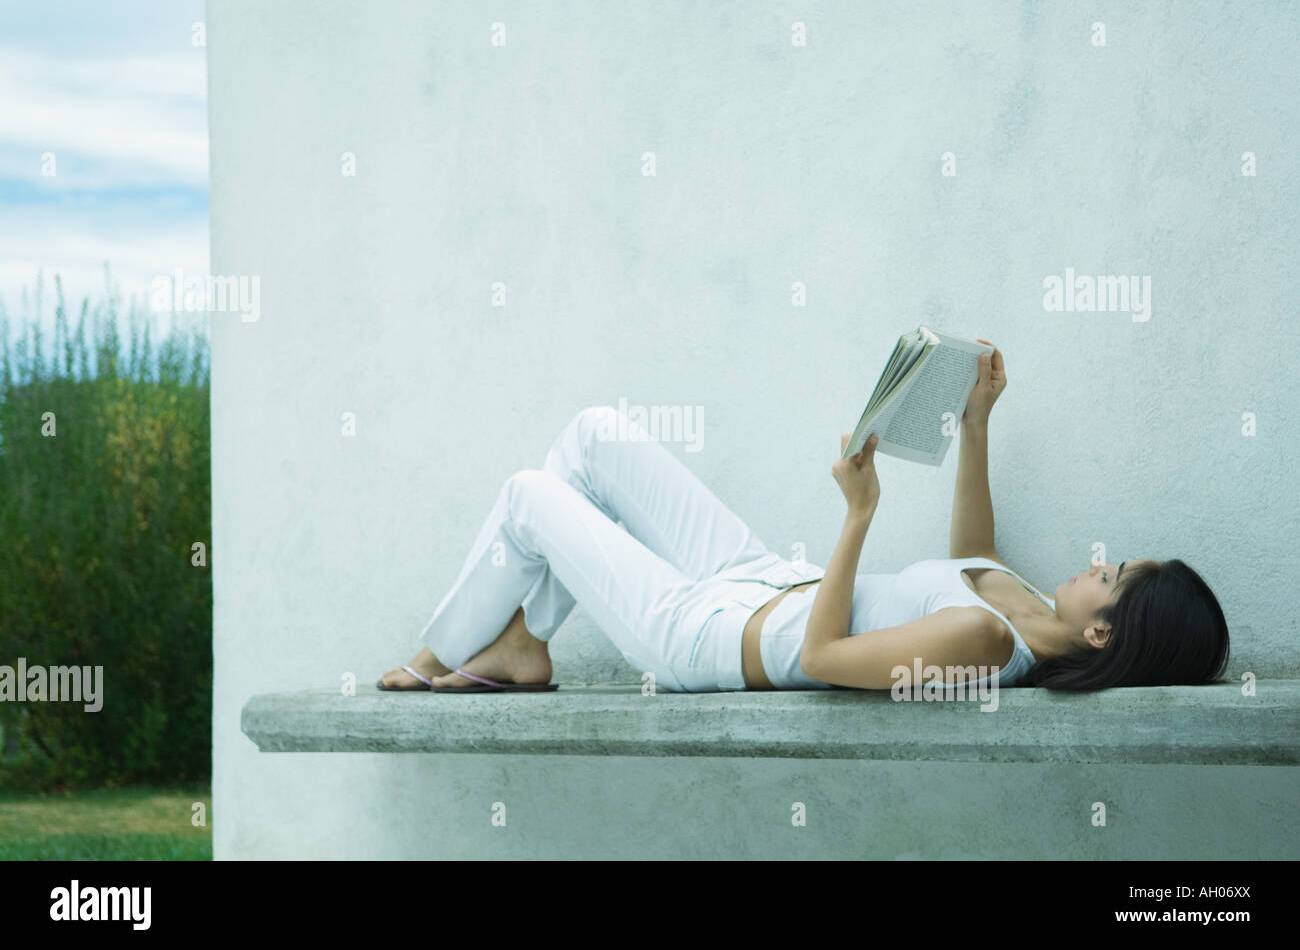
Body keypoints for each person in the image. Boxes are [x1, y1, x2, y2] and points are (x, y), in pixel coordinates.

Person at [379, 343, 1230, 694]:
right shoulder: (1016, 602)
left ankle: (435, 659)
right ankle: (524, 645)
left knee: (532, 493)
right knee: (595, 435)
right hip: (763, 578)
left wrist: (858, 515)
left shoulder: (984, 644)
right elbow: (971, 551)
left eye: (1111, 577)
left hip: (711, 635)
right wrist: (976, 417)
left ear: (1102, 638)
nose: (1097, 563)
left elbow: (823, 659)